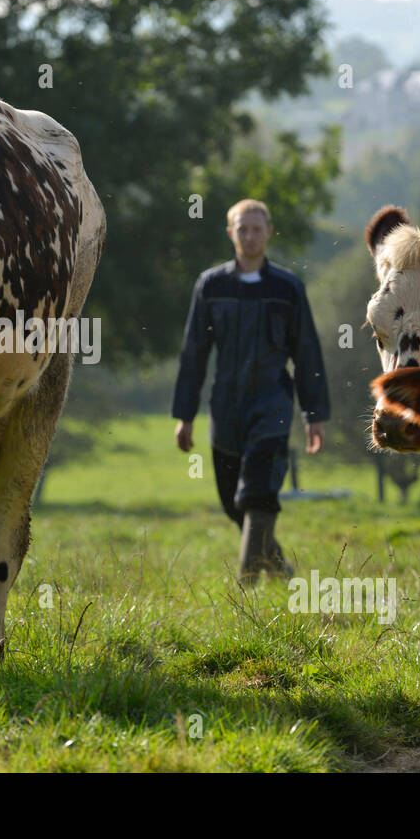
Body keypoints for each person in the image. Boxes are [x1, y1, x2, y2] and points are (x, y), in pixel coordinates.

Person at [172, 199, 330, 585]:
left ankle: (246, 587)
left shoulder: (288, 288)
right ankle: (279, 568)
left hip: (273, 404)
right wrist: (185, 415)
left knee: (258, 493)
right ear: (231, 233)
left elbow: (306, 351)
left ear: (269, 232)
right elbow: (194, 353)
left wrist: (314, 415)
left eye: (256, 228)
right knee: (233, 503)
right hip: (225, 406)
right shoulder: (211, 286)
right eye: (242, 228)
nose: (250, 235)